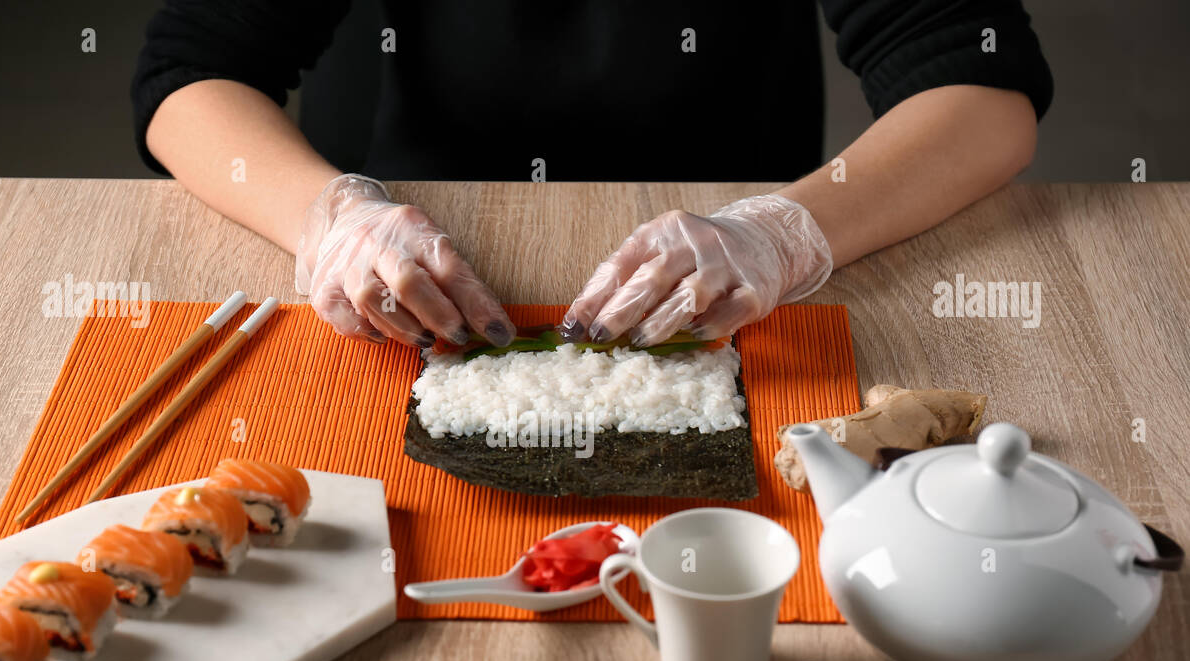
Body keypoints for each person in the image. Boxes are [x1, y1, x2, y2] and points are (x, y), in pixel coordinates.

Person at [132, 1, 1052, 348]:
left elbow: (982, 89)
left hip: (731, 276)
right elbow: (190, 74)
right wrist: (327, 218)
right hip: (406, 266)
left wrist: (783, 232)